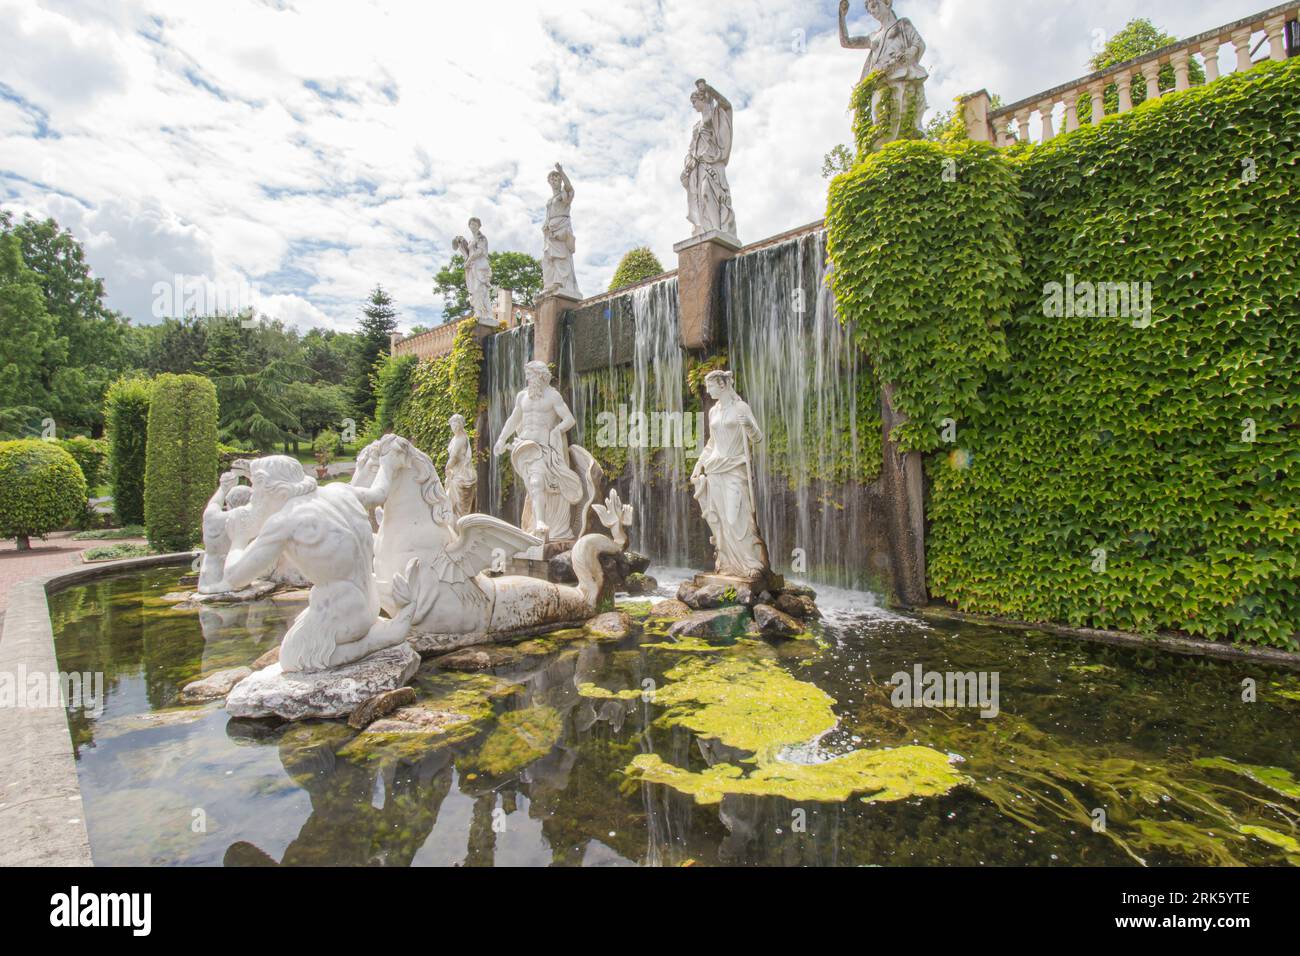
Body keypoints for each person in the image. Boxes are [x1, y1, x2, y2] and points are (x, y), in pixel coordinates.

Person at [691, 370, 768, 577]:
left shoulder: (741, 407)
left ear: (723, 385)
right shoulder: (713, 412)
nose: (707, 391)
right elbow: (712, 442)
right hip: (715, 468)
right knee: (722, 518)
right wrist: (700, 463)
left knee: (736, 517)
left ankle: (750, 562)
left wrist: (749, 425)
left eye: (711, 386)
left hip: (735, 467)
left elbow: (757, 437)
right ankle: (726, 562)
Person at [839, 0, 928, 143]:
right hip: (881, 83)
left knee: (909, 123)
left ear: (887, 3)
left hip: (903, 76)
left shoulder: (903, 24)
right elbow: (846, 42)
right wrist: (841, 16)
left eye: (874, 5)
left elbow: (918, 43)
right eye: (869, 10)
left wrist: (910, 52)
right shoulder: (873, 36)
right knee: (882, 127)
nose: (872, 11)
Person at [682, 78, 737, 238]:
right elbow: (692, 149)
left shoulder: (715, 115)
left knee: (708, 192)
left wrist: (710, 89)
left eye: (694, 101)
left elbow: (727, 105)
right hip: (699, 166)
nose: (693, 105)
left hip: (713, 163)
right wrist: (687, 167)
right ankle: (710, 231)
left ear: (702, 99)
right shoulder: (696, 126)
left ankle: (717, 230)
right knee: (702, 200)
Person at [541, 164, 582, 299]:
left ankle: (561, 283)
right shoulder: (549, 201)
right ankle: (550, 284)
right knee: (547, 259)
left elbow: (569, 188)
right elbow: (548, 216)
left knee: (561, 257)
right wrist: (546, 226)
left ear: (560, 181)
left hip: (561, 228)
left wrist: (562, 172)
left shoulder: (564, 195)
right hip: (550, 232)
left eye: (557, 179)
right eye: (552, 180)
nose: (554, 182)